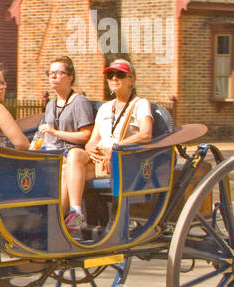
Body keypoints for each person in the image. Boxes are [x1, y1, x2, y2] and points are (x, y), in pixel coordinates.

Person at [62, 59, 154, 231]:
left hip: (123, 161)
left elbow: (146, 134)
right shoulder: (105, 108)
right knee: (72, 156)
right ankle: (73, 213)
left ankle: (57, 223)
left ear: (131, 79)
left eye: (120, 74)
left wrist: (117, 146)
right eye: (110, 75)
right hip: (100, 160)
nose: (114, 78)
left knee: (66, 171)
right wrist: (90, 148)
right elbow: (92, 139)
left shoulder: (140, 104)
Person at [34, 56, 94, 151]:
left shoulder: (80, 102)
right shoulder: (51, 104)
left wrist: (55, 132)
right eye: (51, 73)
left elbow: (86, 136)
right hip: (49, 153)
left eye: (59, 73)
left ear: (70, 77)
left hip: (71, 154)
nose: (53, 76)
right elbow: (45, 134)